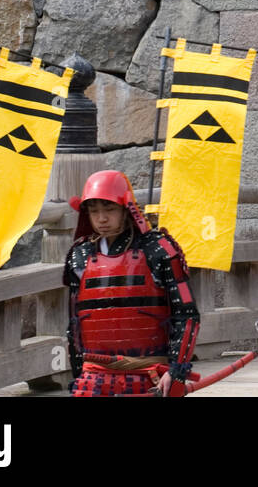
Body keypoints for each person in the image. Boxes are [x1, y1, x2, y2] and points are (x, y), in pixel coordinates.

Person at [63, 169, 200, 397]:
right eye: (94, 211)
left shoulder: (158, 248)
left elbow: (186, 315)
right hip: (93, 376)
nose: (102, 218)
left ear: (126, 209)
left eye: (109, 209)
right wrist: (77, 375)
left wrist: (177, 371)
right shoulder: (80, 254)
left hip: (148, 373)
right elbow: (75, 324)